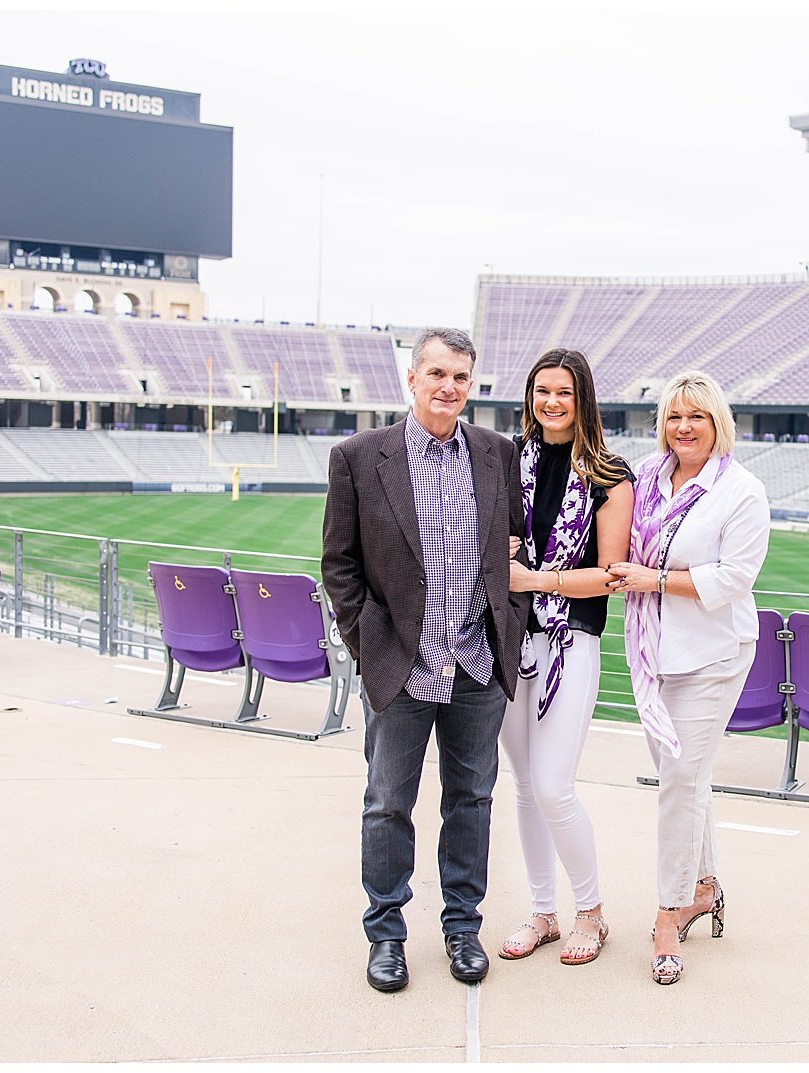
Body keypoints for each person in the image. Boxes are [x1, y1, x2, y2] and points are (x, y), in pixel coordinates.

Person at [320, 326, 527, 994]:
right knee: (387, 803)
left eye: (461, 377)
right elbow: (339, 565)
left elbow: (513, 551)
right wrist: (368, 641)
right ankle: (385, 933)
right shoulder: (359, 456)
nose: (449, 388)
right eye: (437, 373)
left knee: (470, 799)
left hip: (473, 662)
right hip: (401, 665)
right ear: (412, 379)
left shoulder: (498, 454)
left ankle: (462, 926)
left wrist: (506, 628)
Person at [605, 370, 770, 986]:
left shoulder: (741, 491)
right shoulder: (646, 477)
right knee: (690, 778)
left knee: (677, 781)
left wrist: (654, 580)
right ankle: (704, 886)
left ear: (716, 423)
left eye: (695, 417)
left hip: (712, 655)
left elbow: (733, 579)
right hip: (653, 652)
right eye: (674, 417)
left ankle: (669, 917)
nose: (683, 428)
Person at [496, 348, 634, 967]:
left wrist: (535, 581)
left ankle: (591, 913)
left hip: (569, 639)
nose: (551, 403)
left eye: (564, 393)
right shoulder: (507, 461)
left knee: (554, 785)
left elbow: (609, 576)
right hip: (507, 639)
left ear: (584, 400)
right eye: (541, 391)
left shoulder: (610, 475)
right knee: (524, 785)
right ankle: (543, 911)